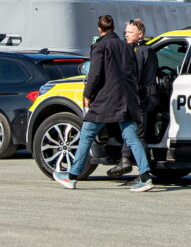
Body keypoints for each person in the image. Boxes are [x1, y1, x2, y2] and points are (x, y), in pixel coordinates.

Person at [54, 14, 153, 192]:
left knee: (87, 135)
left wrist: (88, 94)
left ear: (100, 29)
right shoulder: (126, 47)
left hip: (106, 99)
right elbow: (132, 73)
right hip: (126, 98)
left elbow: (95, 74)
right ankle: (145, 176)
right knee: (131, 137)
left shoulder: (100, 46)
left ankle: (72, 176)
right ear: (113, 28)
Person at [108, 19, 160, 179]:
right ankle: (125, 160)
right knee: (130, 131)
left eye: (130, 32)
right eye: (126, 32)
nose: (126, 35)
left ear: (140, 34)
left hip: (141, 98)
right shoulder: (134, 50)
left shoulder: (143, 51)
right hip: (135, 97)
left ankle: (144, 172)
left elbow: (133, 76)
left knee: (138, 134)